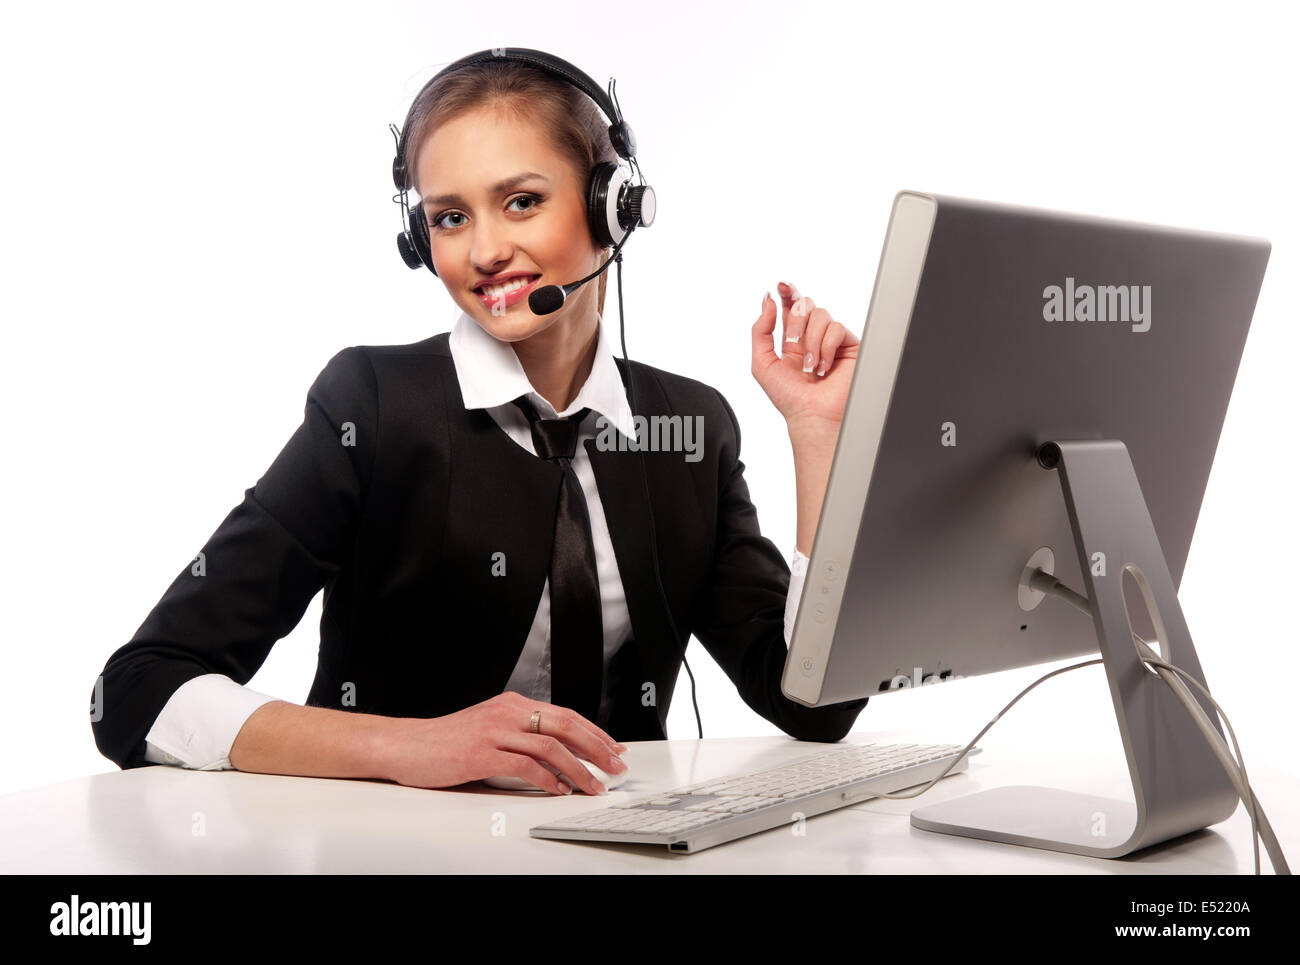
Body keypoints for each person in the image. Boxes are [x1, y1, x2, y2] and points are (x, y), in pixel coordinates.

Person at [90, 52, 867, 797]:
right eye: (450, 217)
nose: (486, 251)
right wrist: (411, 746)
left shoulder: (687, 425)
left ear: (613, 207)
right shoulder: (372, 406)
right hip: (393, 857)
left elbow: (813, 703)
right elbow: (138, 688)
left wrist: (819, 435)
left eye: (521, 200)